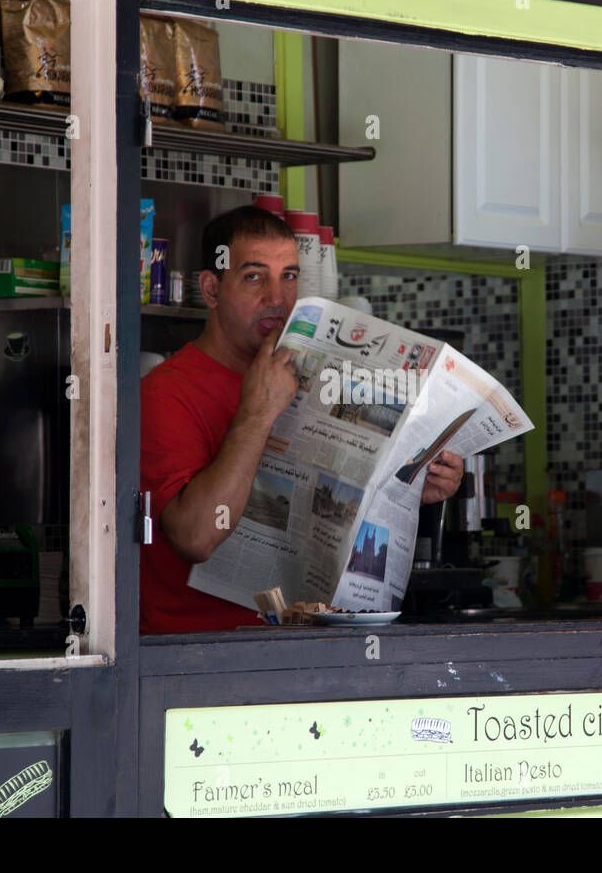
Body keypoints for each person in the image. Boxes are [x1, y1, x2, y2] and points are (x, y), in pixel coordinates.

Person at [140, 205, 465, 633]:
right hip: (196, 659)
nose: (277, 297)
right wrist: (257, 413)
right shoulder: (165, 392)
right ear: (212, 289)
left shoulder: (307, 377)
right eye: (254, 276)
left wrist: (407, 484)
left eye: (289, 276)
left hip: (295, 648)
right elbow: (196, 537)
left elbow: (324, 507)